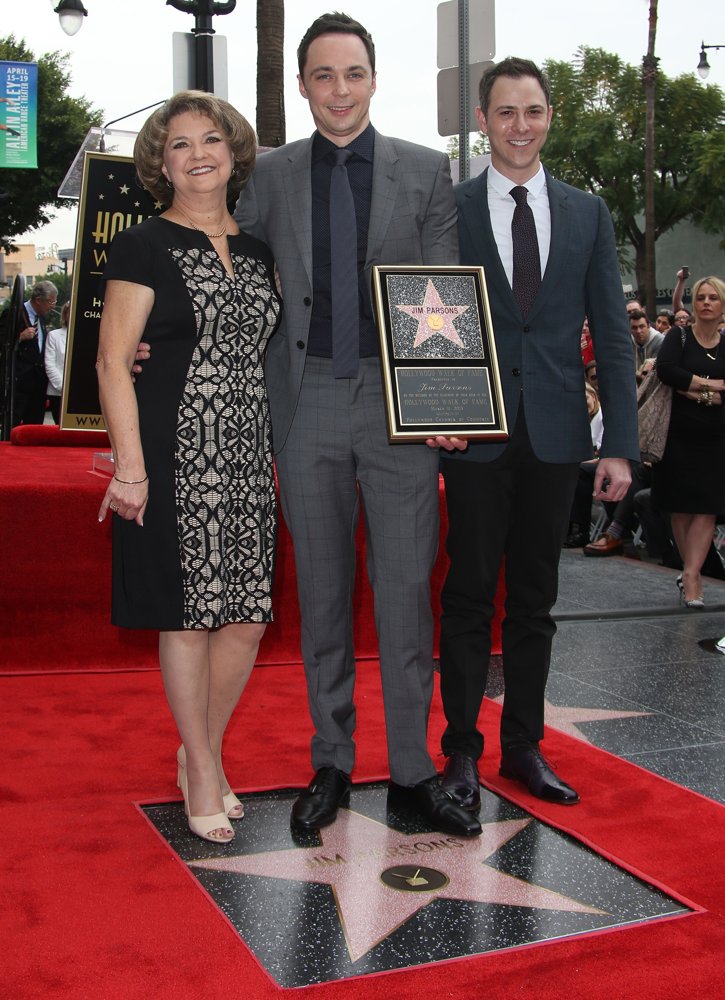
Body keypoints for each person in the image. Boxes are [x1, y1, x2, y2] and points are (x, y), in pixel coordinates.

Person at [233, 12, 479, 838]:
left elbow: (441, 289)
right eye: (322, 76)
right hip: (303, 409)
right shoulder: (267, 176)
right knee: (324, 596)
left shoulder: (423, 170)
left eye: (352, 74)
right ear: (302, 85)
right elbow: (232, 278)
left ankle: (411, 770)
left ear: (374, 80)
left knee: (407, 594)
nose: (338, 90)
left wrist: (445, 401)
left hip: (398, 412)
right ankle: (330, 760)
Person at [436, 57, 638, 811]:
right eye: (505, 112)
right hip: (473, 435)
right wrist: (437, 415)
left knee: (534, 601)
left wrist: (618, 440)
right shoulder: (448, 207)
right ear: (482, 120)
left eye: (533, 111)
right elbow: (426, 316)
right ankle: (460, 750)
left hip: (557, 436)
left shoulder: (585, 213)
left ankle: (523, 745)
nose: (520, 126)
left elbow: (613, 336)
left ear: (549, 117)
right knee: (465, 595)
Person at [96, 91, 281, 843]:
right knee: (188, 616)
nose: (198, 153)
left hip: (247, 452)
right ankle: (203, 767)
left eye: (212, 139)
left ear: (234, 152)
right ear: (160, 162)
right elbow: (113, 360)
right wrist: (130, 469)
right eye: (180, 144)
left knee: (244, 619)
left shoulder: (264, 251)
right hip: (174, 452)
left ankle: (195, 748)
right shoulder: (144, 245)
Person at [652, 276, 725, 608]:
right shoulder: (677, 335)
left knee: (707, 508)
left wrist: (693, 389)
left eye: (713, 298)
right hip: (676, 436)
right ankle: (689, 569)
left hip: (716, 439)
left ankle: (692, 576)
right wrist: (711, 387)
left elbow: (684, 382)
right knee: (680, 507)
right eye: (700, 297)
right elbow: (667, 372)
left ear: (722, 305)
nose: (706, 302)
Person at [13, 279, 57, 426]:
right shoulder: (15, 313)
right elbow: (4, 343)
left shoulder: (41, 319)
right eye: (50, 302)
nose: (53, 306)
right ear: (38, 300)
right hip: (19, 382)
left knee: (34, 425)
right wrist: (20, 337)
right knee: (14, 422)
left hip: (38, 384)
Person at [44, 301, 69, 423]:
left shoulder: (89, 336)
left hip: (81, 393)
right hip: (58, 393)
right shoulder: (54, 336)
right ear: (65, 315)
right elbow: (50, 365)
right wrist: (64, 387)